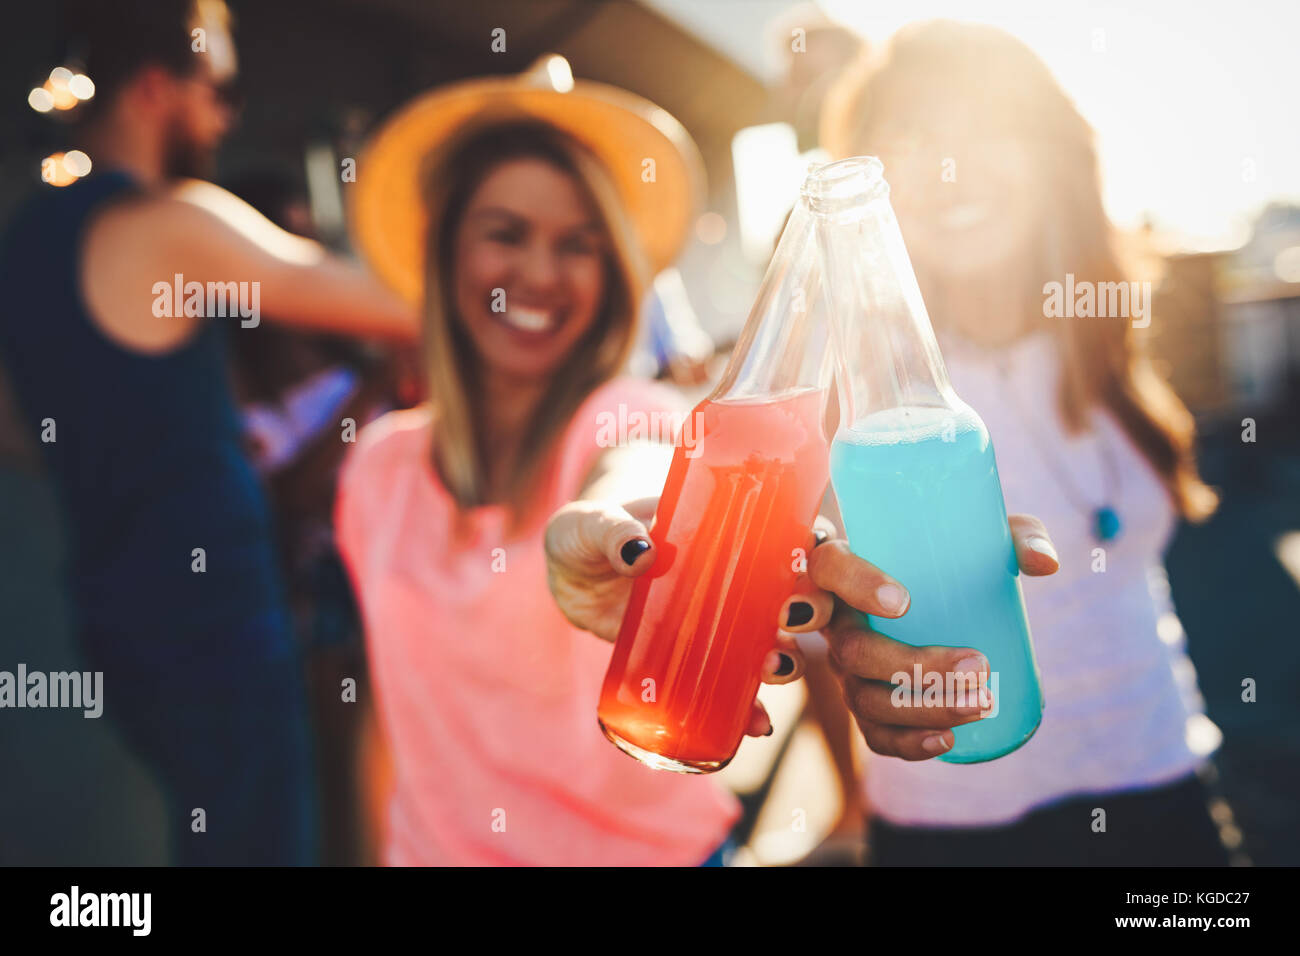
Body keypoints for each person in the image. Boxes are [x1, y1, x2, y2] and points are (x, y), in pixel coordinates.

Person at [335, 56, 820, 866]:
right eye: (506, 234)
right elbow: (389, 710)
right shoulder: (378, 469)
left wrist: (623, 527)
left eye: (578, 245)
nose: (539, 274)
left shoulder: (633, 417)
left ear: (615, 272)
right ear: (447, 251)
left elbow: (641, 464)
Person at [805, 20, 1232, 865]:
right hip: (955, 821)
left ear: (1051, 155)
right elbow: (823, 622)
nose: (948, 166)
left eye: (984, 129)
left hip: (1159, 784)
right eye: (914, 137)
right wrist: (848, 791)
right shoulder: (863, 392)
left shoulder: (1098, 334)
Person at [0, 0, 415, 865]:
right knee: (258, 845)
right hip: (212, 615)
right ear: (156, 87)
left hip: (114, 608)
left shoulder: (29, 242)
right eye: (215, 89)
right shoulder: (173, 222)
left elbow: (22, 433)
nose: (225, 116)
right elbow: (394, 309)